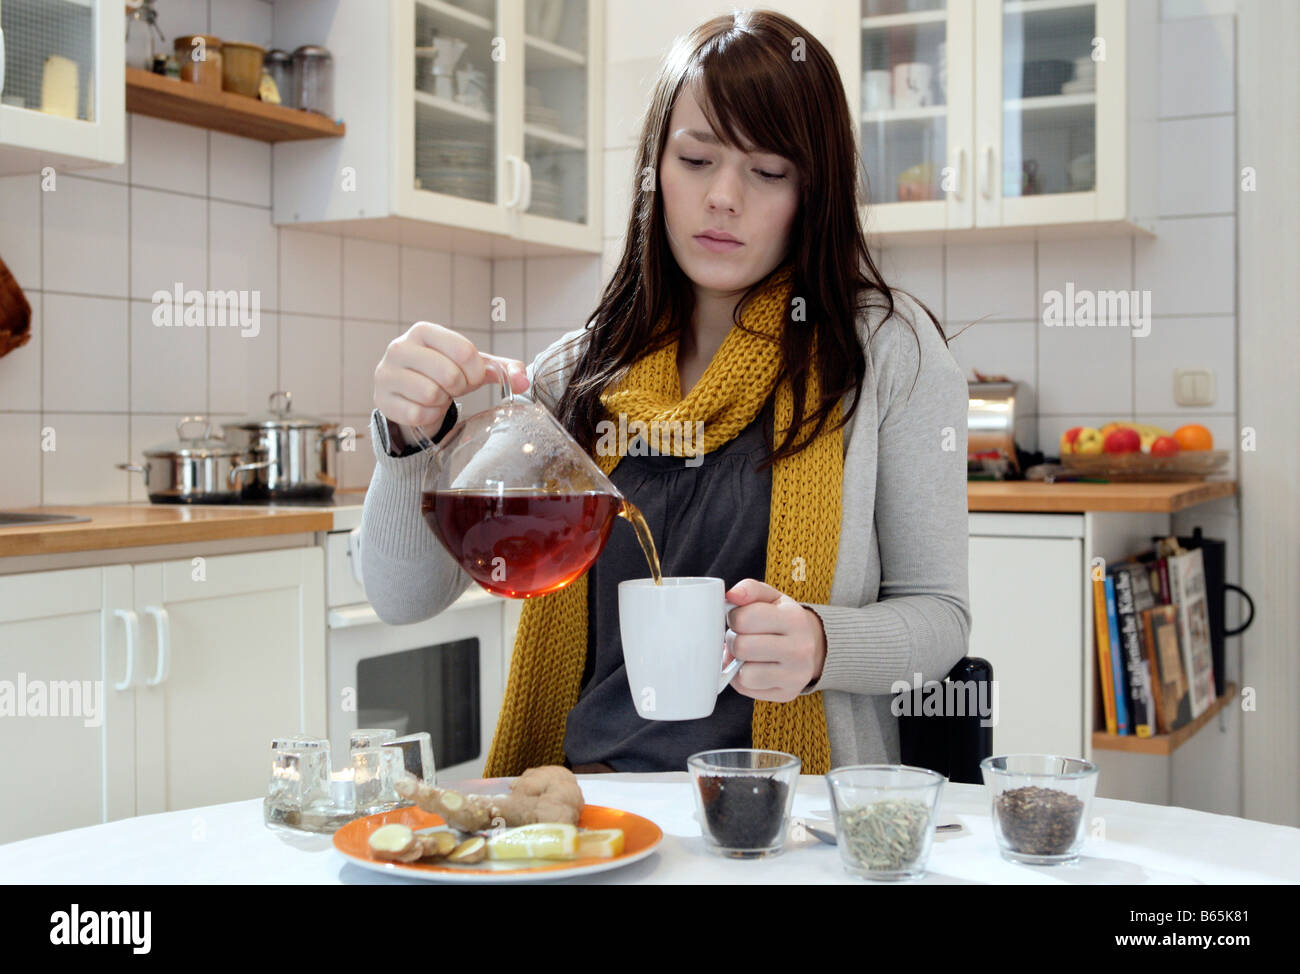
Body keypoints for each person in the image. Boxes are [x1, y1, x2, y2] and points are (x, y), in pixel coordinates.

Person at [362, 10, 970, 776]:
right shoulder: (577, 375)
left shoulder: (885, 353)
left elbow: (940, 617)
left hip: (783, 815)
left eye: (769, 171)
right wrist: (407, 438)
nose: (724, 197)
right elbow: (402, 597)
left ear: (814, 191)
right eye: (695, 159)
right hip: (590, 804)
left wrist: (822, 644)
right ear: (656, 169)